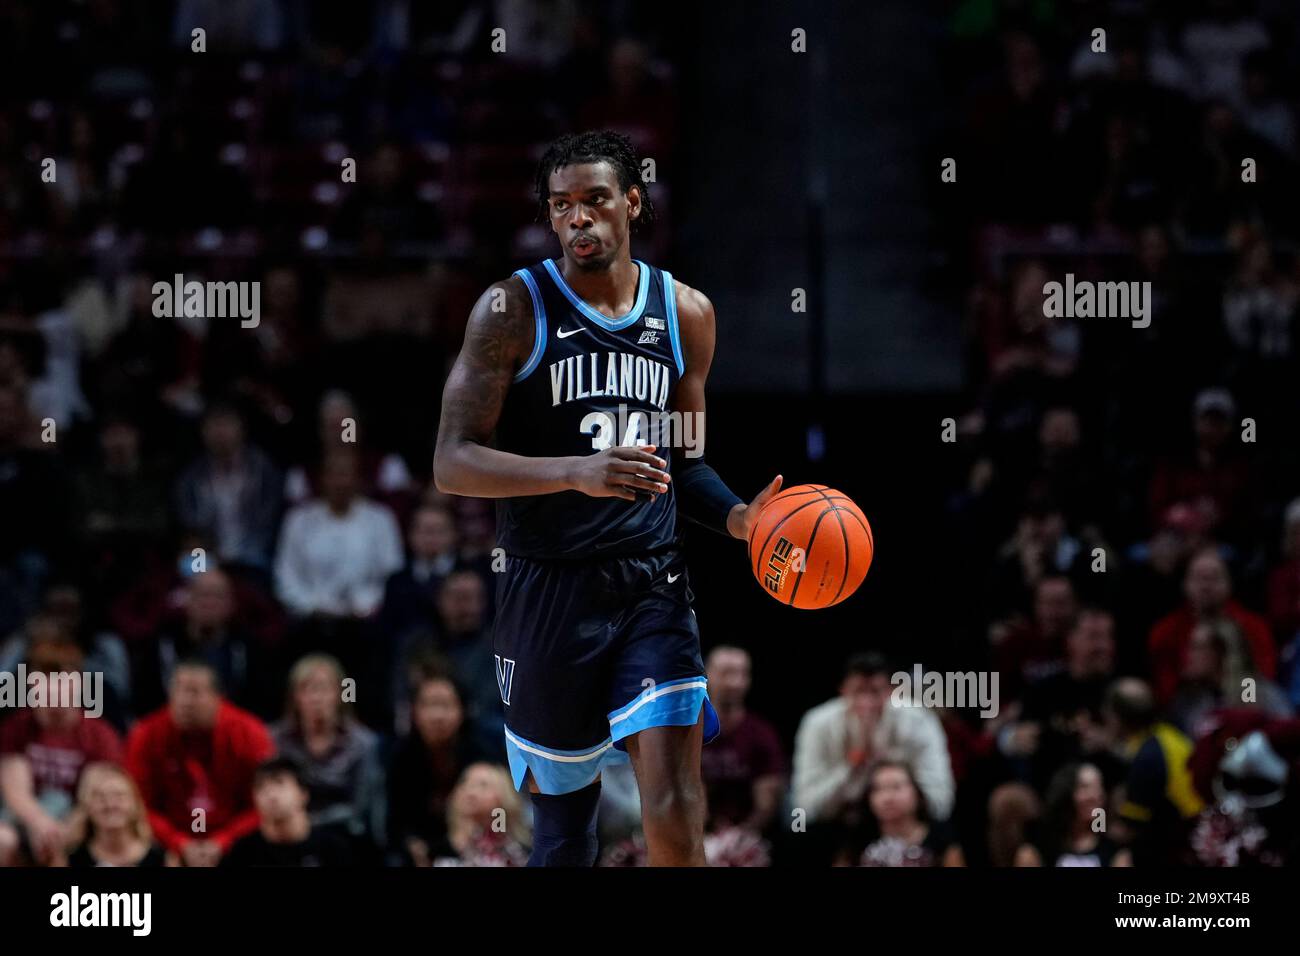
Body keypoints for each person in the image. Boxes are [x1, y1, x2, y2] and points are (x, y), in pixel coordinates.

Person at [433, 130, 779, 866]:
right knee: (563, 836)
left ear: (632, 201)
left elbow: (684, 464)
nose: (578, 220)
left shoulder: (686, 314)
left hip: (652, 577)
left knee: (674, 791)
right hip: (546, 584)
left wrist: (741, 518)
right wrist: (573, 472)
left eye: (594, 201)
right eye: (562, 207)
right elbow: (451, 462)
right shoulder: (509, 310)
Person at [125, 659, 274, 866]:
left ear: (218, 697)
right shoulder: (146, 734)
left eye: (195, 692)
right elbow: (137, 803)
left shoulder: (249, 733)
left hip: (237, 842)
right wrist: (178, 842)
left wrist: (224, 840)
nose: (185, 701)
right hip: (165, 843)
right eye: (178, 690)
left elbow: (263, 801)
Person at [0, 621, 123, 866]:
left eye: (63, 680)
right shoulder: (17, 727)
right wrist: (40, 824)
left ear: (78, 683)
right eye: (44, 680)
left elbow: (97, 792)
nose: (54, 690)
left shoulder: (99, 734)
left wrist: (65, 830)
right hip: (25, 819)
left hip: (79, 820)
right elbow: (15, 790)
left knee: (62, 805)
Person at [792, 653, 955, 828]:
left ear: (890, 691)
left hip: (908, 823)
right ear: (843, 690)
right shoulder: (818, 723)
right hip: (842, 824)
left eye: (875, 692)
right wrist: (853, 767)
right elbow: (805, 807)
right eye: (859, 691)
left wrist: (898, 794)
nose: (867, 702)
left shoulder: (917, 720)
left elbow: (941, 800)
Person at [270, 654, 385, 843]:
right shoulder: (275, 740)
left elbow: (362, 808)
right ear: (295, 697)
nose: (316, 698)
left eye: (324, 689)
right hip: (288, 836)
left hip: (344, 837)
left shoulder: (363, 743)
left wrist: (311, 824)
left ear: (340, 695)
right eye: (307, 689)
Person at [386, 665, 486, 867]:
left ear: (462, 710)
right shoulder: (399, 758)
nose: (437, 716)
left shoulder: (481, 754)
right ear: (414, 712)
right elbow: (394, 823)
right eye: (429, 705)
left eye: (446, 705)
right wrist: (412, 844)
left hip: (474, 846)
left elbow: (497, 813)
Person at [699, 645, 786, 835]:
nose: (735, 682)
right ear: (707, 675)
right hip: (694, 832)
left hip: (747, 836)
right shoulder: (689, 732)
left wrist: (736, 840)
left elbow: (766, 802)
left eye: (742, 674)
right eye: (726, 673)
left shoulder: (761, 733)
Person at [221, 757, 360, 867]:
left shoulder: (333, 849)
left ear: (303, 794)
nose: (270, 794)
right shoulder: (242, 852)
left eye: (279, 783)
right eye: (260, 787)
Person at [848, 759, 963, 868]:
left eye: (896, 787)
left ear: (917, 793)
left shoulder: (941, 835)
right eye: (878, 789)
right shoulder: (856, 838)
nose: (887, 798)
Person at [1014, 762, 1131, 867]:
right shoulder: (1039, 847)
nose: (1096, 795)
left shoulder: (1114, 850)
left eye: (1099, 788)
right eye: (1085, 787)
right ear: (1065, 793)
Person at [63, 762, 167, 867]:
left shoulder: (161, 857)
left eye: (119, 796)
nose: (110, 804)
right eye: (100, 797)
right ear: (87, 807)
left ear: (135, 803)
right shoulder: (73, 859)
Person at [431, 763, 530, 867]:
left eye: (483, 785)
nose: (470, 792)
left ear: (504, 796)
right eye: (464, 782)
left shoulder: (520, 853)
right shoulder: (435, 850)